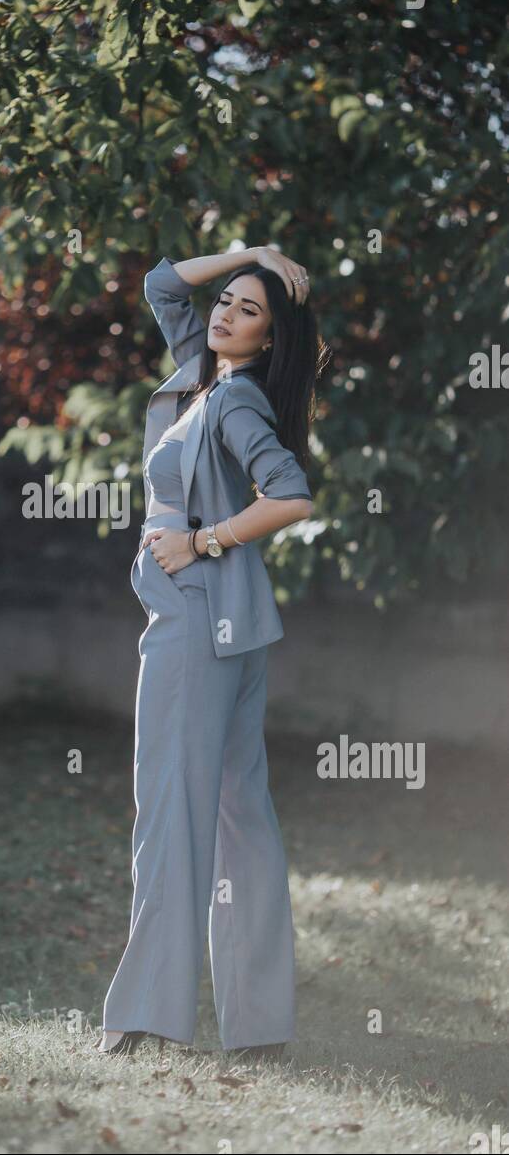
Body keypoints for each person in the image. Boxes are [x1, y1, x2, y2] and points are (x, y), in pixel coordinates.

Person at [98, 246, 327, 1060]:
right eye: (225, 300)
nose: (224, 312)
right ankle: (259, 1029)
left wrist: (202, 539)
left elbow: (292, 495)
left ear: (267, 340)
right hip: (227, 624)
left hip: (197, 623)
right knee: (240, 818)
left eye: (248, 309)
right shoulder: (202, 373)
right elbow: (163, 284)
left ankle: (146, 1019)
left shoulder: (233, 400)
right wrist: (254, 255)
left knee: (171, 810)